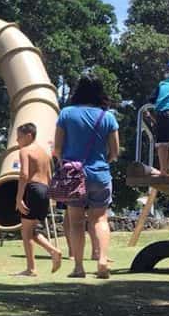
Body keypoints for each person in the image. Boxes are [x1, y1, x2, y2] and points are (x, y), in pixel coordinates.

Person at [55, 74, 120, 279]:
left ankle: (78, 268)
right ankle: (102, 259)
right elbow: (115, 152)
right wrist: (102, 162)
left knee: (75, 222)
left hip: (73, 174)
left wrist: (65, 161)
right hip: (100, 174)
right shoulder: (107, 117)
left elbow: (56, 148)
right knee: (100, 218)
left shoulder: (66, 114)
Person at [14, 122, 63, 277]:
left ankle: (31, 268)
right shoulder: (44, 153)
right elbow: (50, 175)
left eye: (19, 137)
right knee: (33, 231)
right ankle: (53, 251)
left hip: (33, 188)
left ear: (29, 136)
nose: (17, 140)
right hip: (45, 190)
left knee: (26, 232)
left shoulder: (25, 151)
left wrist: (19, 197)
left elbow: (24, 175)